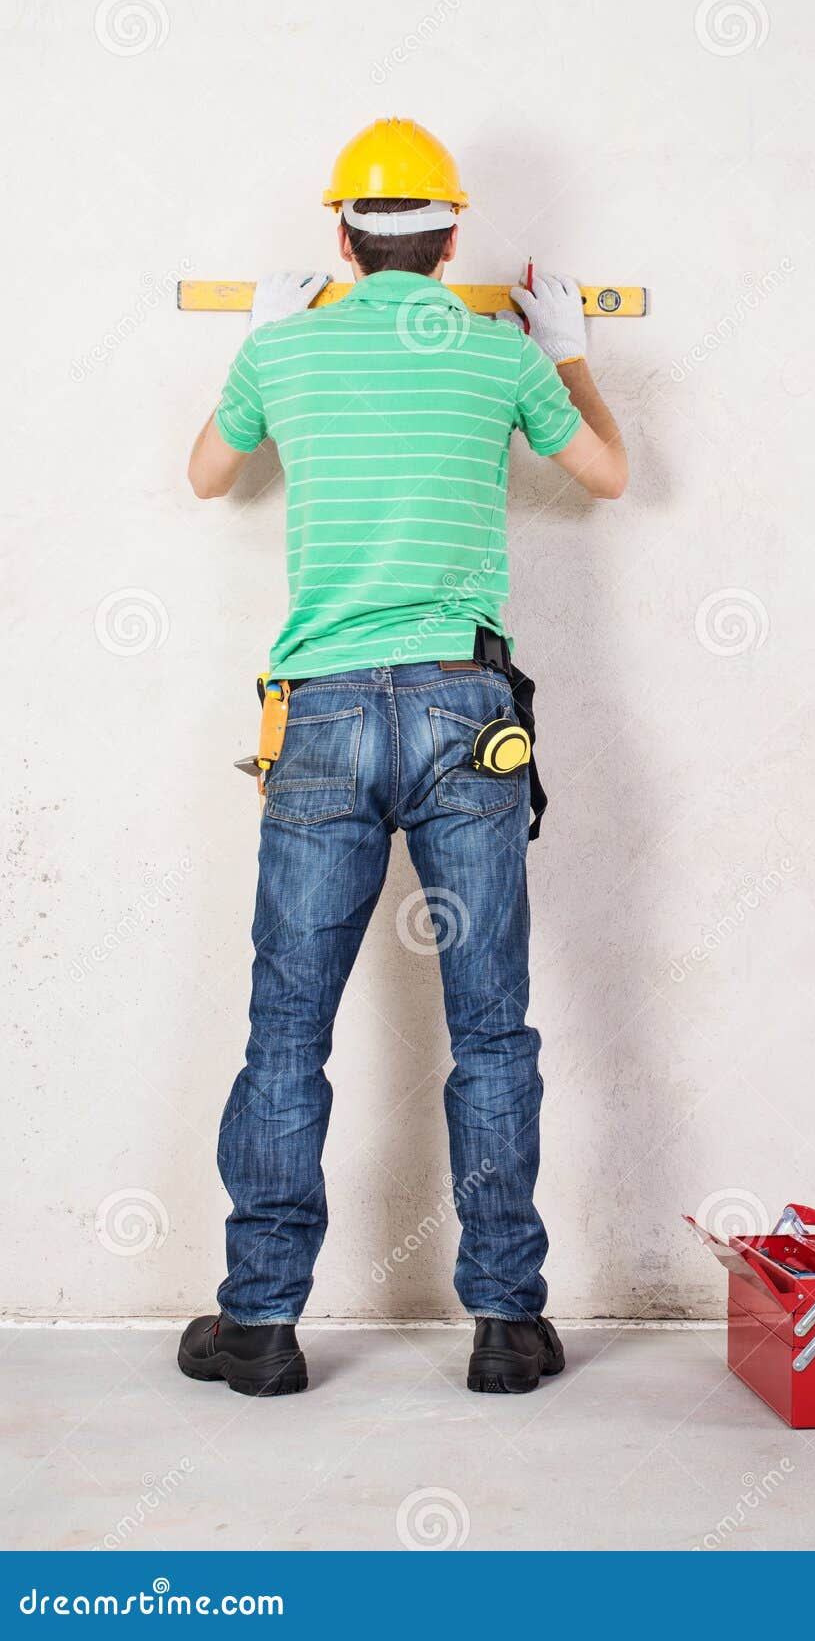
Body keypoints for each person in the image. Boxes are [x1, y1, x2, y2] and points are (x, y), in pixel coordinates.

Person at [178, 119, 627, 1397]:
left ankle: (259, 1327)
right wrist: (570, 356)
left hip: (319, 718)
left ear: (339, 237)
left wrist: (251, 345)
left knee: (284, 1031)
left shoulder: (283, 347)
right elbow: (605, 472)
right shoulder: (497, 356)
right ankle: (505, 1325)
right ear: (450, 240)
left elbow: (206, 474)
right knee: (490, 1029)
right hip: (461, 713)